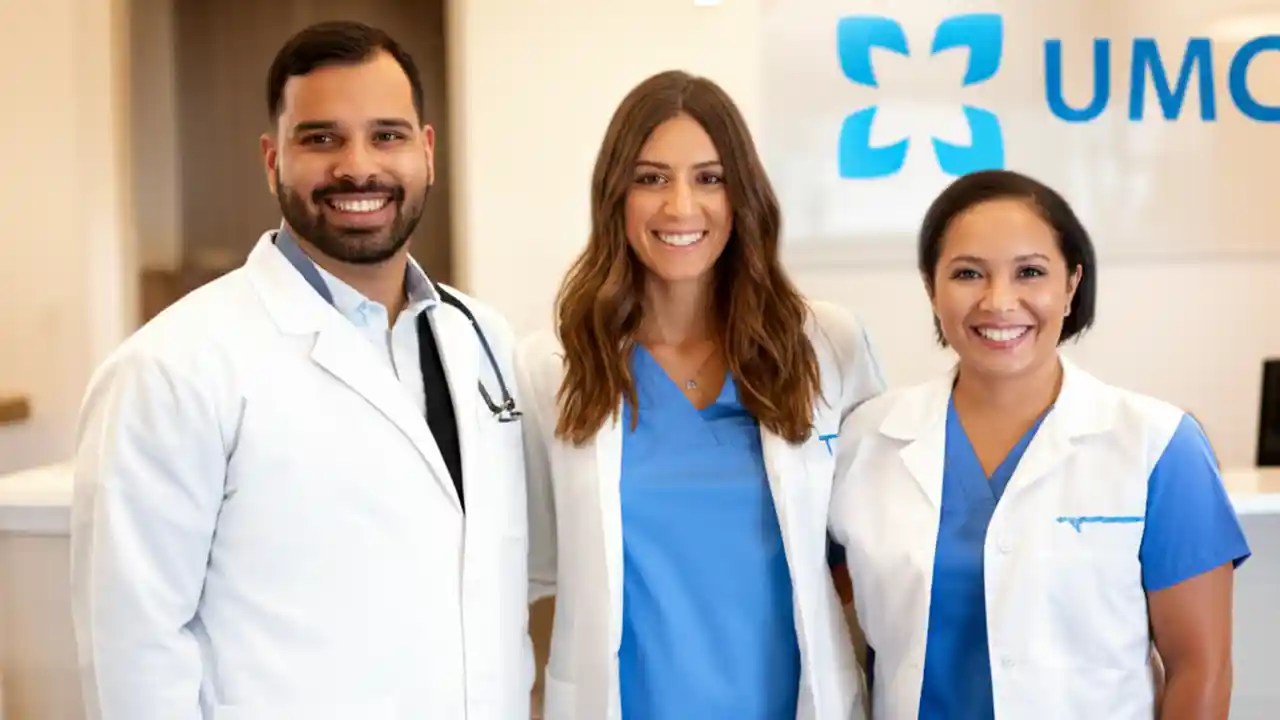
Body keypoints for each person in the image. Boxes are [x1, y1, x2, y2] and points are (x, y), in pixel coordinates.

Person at [70, 21, 531, 720]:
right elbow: (134, 651)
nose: (357, 167)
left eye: (387, 134)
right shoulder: (171, 369)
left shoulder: (483, 339)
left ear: (427, 152)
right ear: (271, 159)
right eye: (321, 138)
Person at [517, 70, 885, 720]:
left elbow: (879, 541)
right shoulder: (552, 366)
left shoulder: (828, 344)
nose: (681, 206)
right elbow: (530, 566)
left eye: (710, 178)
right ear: (614, 195)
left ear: (743, 194)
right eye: (650, 178)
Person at [829, 169, 1251, 719]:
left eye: (1030, 272)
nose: (999, 301)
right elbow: (825, 622)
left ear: (1072, 285)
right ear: (931, 288)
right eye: (967, 273)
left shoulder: (1159, 446)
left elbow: (1201, 668)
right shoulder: (866, 439)